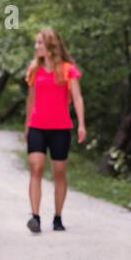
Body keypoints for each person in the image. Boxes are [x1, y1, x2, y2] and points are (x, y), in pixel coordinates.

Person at [24, 28, 86, 233]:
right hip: (37, 126)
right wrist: (27, 126)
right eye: (36, 43)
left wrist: (81, 124)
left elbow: (77, 98)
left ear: (50, 45)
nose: (36, 47)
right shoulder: (34, 70)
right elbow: (31, 99)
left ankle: (58, 217)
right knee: (36, 168)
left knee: (59, 173)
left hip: (60, 128)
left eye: (39, 43)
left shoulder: (68, 70)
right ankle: (35, 216)